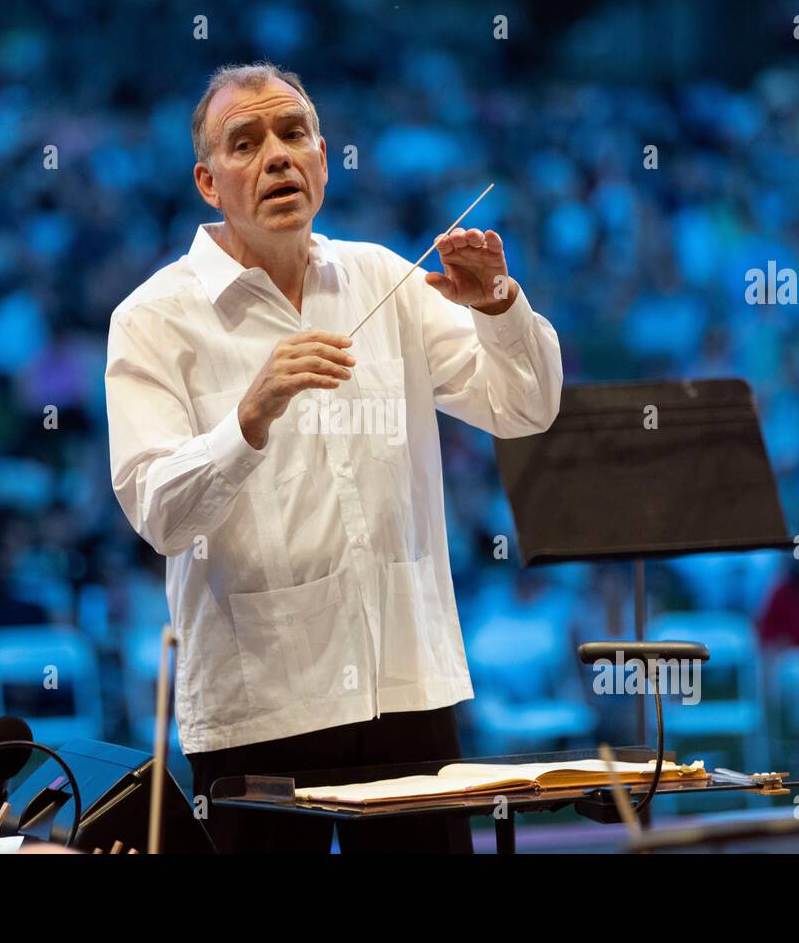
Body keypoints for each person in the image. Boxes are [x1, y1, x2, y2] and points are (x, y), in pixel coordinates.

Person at [104, 61, 562, 852]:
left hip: (407, 685)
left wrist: (496, 306)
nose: (278, 155)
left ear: (323, 154)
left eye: (293, 134)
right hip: (261, 708)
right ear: (207, 182)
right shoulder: (152, 319)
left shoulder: (382, 275)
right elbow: (158, 515)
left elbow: (526, 406)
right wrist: (247, 419)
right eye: (245, 143)